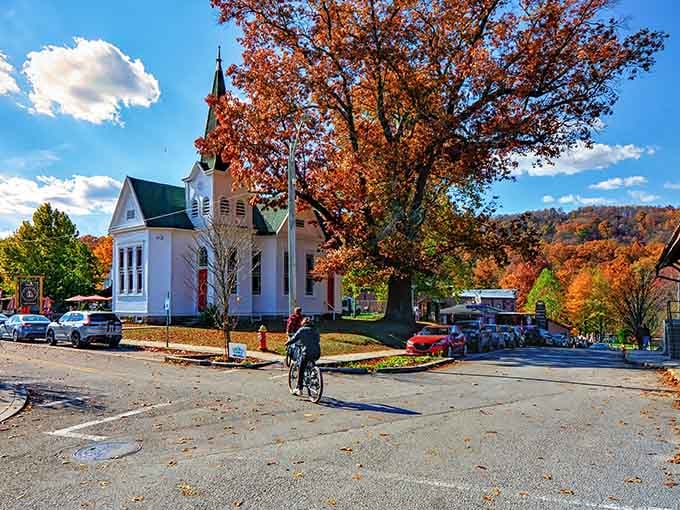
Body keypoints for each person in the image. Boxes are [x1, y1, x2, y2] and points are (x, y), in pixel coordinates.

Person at [285, 318, 321, 396]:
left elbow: (294, 339)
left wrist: (287, 343)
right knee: (312, 362)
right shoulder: (316, 330)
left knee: (301, 369)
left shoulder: (302, 330)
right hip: (317, 352)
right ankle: (313, 376)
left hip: (306, 352)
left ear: (303, 323)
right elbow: (317, 340)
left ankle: (299, 389)